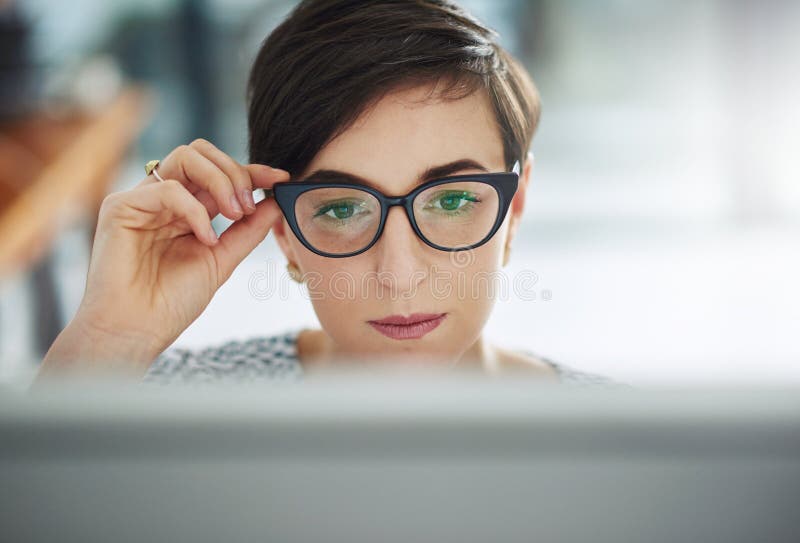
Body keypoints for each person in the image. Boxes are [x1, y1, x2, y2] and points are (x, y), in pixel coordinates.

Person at [37, 0, 622, 387]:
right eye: (342, 208)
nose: (398, 276)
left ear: (513, 209)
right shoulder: (172, 403)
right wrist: (107, 339)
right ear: (283, 232)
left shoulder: (622, 442)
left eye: (450, 200)